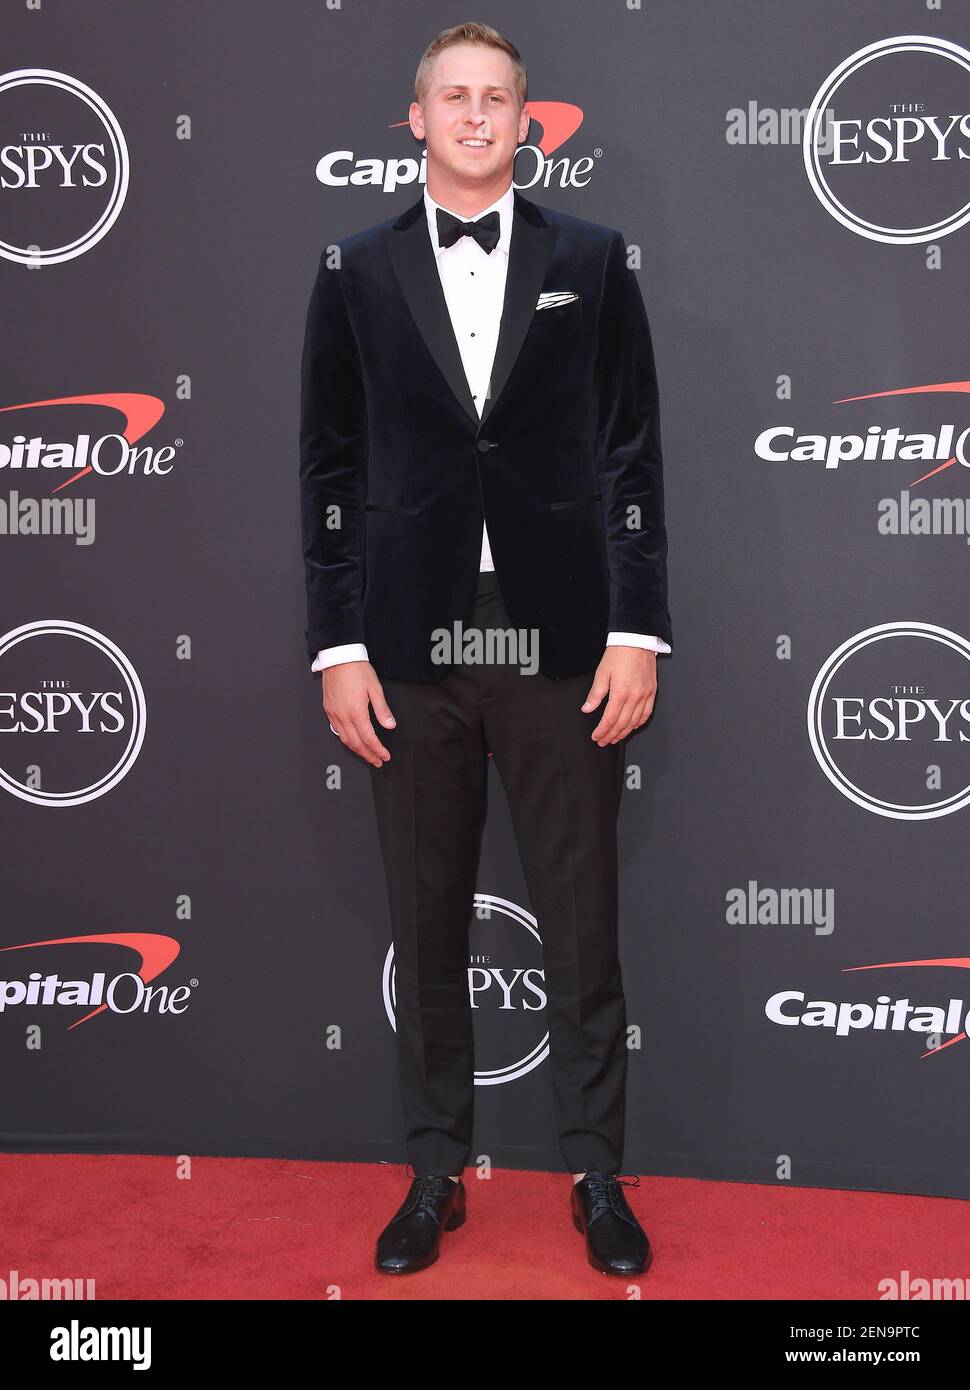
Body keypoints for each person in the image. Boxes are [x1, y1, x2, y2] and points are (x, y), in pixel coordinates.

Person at [299, 21, 671, 1277]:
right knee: (428, 920)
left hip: (561, 640)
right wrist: (336, 644)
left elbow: (631, 454)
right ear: (416, 119)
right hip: (407, 649)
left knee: (582, 923)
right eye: (451, 97)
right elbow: (330, 472)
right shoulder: (350, 269)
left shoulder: (595, 258)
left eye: (494, 97)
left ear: (528, 120)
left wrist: (635, 627)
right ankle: (432, 1170)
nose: (472, 115)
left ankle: (598, 1175)